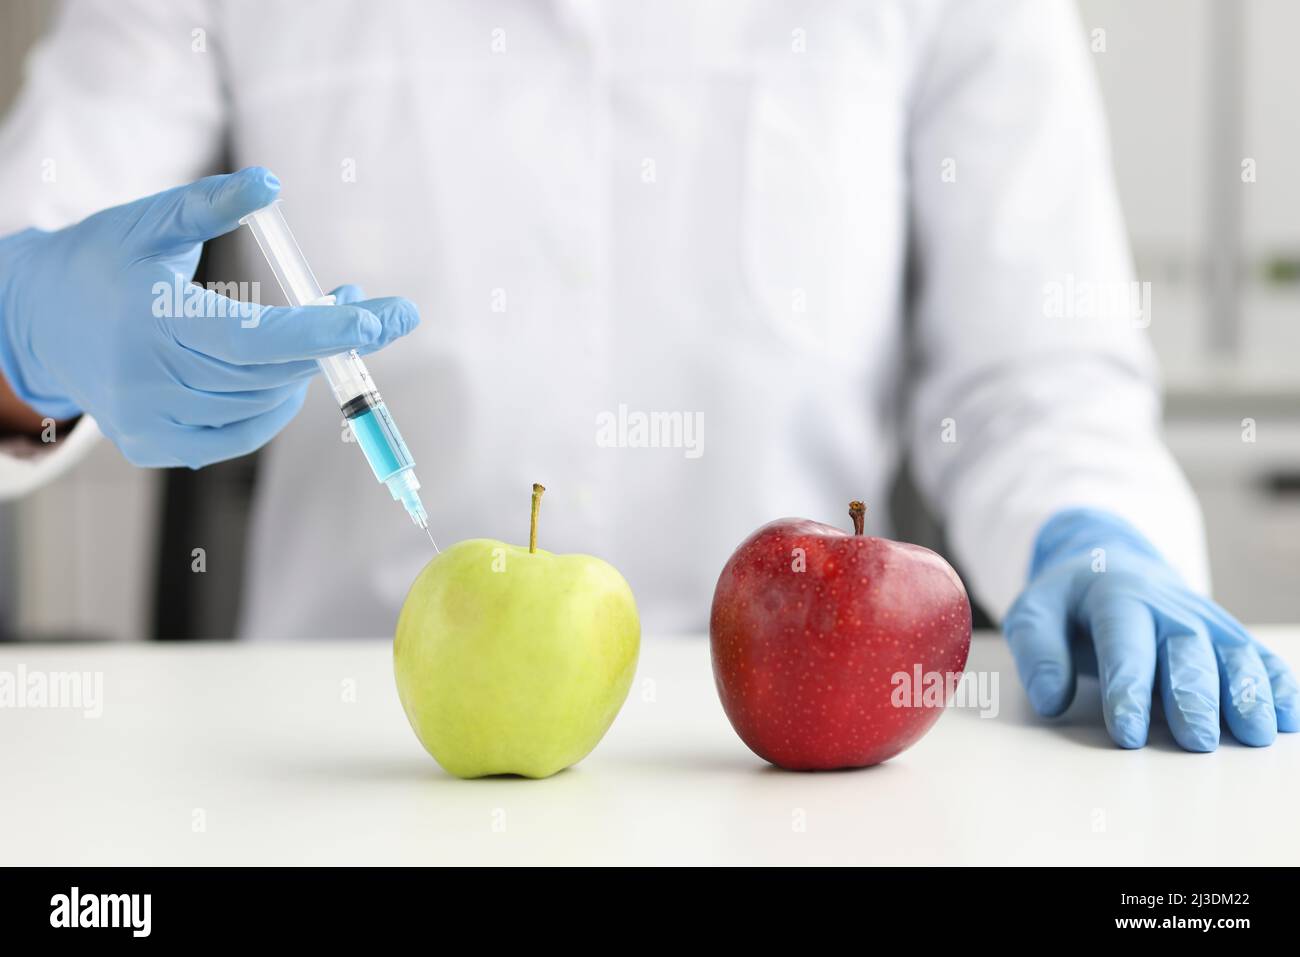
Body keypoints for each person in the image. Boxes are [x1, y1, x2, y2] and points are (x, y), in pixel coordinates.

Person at [0, 0, 1293, 752]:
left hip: (783, 765)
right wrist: (29, 330)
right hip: (351, 745)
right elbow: (50, 212)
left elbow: (1037, 371)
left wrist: (1097, 528)